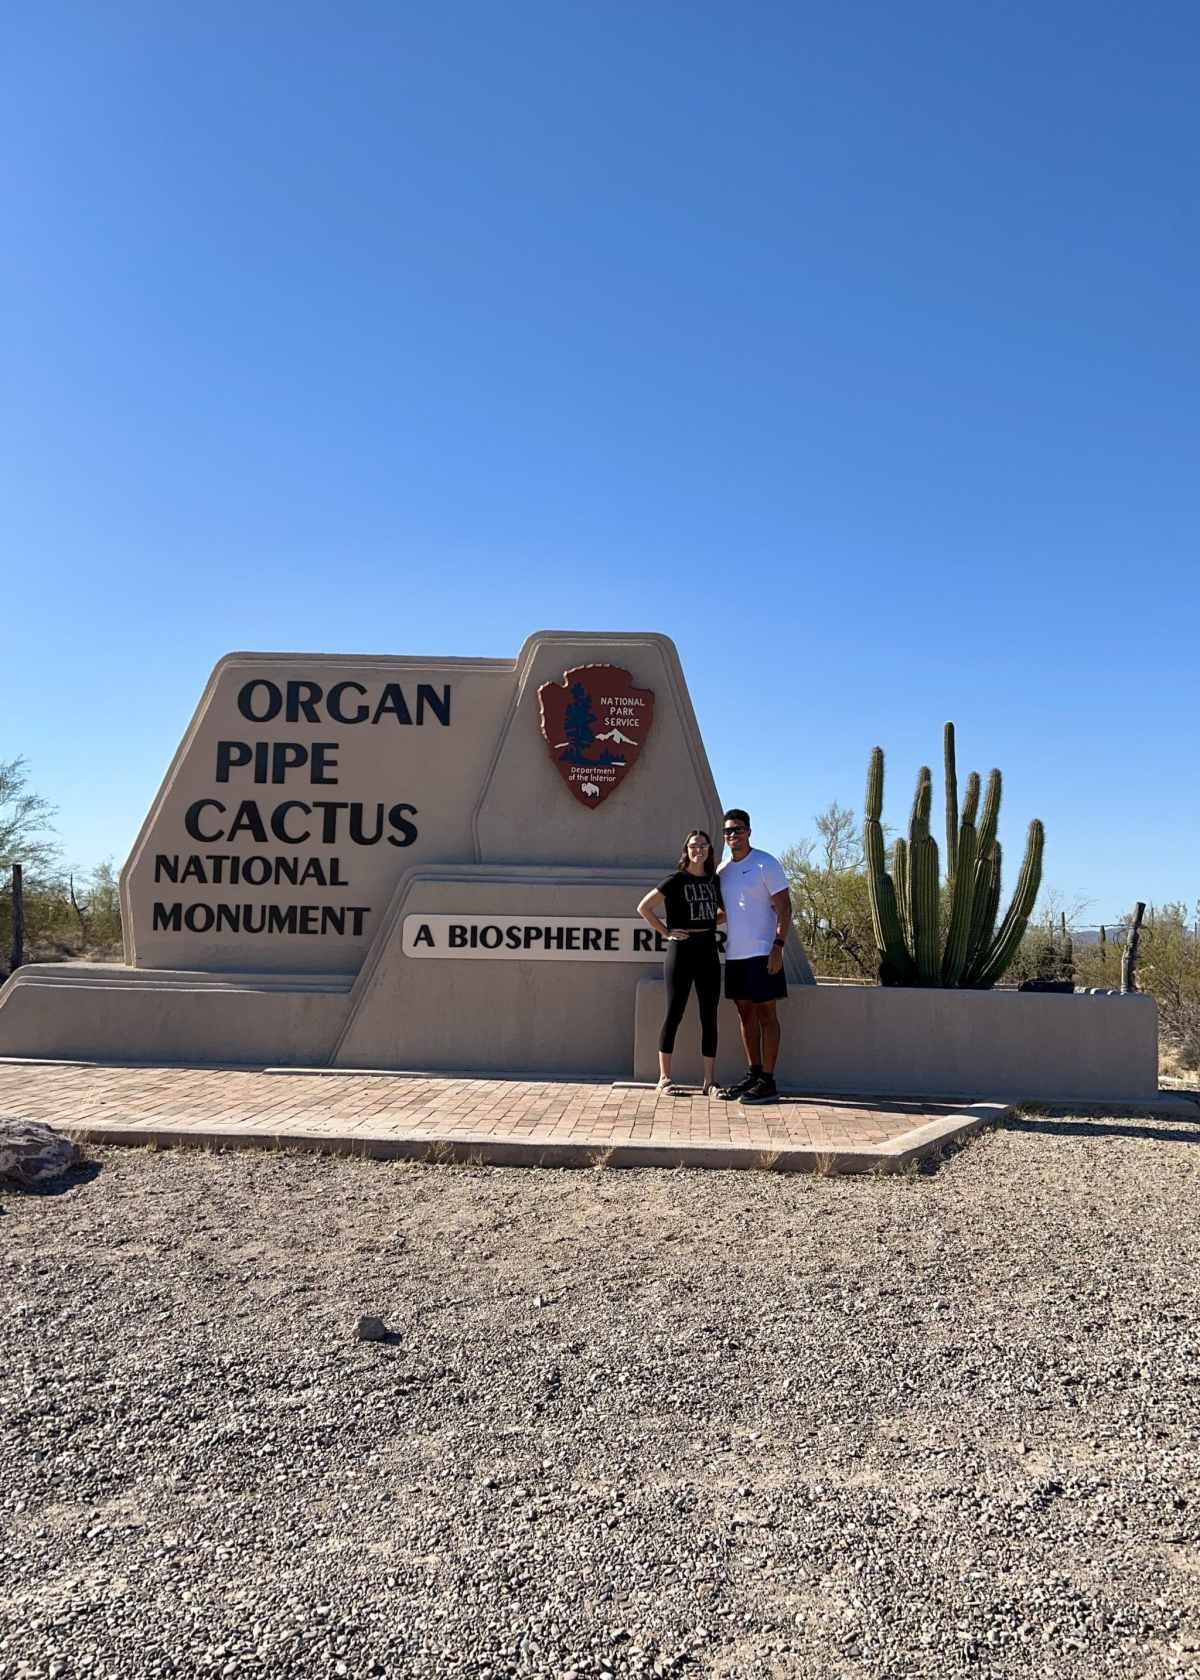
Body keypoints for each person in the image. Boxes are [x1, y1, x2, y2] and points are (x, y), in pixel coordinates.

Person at [636, 830, 723, 1095]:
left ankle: (709, 1081)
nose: (699, 850)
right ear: (686, 850)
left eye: (703, 846)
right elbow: (644, 908)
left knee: (709, 1015)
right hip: (681, 951)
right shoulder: (675, 880)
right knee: (674, 1013)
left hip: (708, 949)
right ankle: (664, 1078)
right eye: (694, 846)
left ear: (709, 850)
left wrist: (708, 925)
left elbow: (724, 912)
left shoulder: (714, 881)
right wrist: (666, 932)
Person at [717, 808, 791, 1104]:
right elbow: (728, 911)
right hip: (735, 955)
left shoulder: (765, 864)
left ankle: (769, 1082)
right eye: (727, 831)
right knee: (745, 1014)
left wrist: (778, 945)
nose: (732, 835)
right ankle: (754, 1074)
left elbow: (785, 908)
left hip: (763, 952)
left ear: (748, 831)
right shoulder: (723, 870)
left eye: (737, 829)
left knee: (767, 1016)